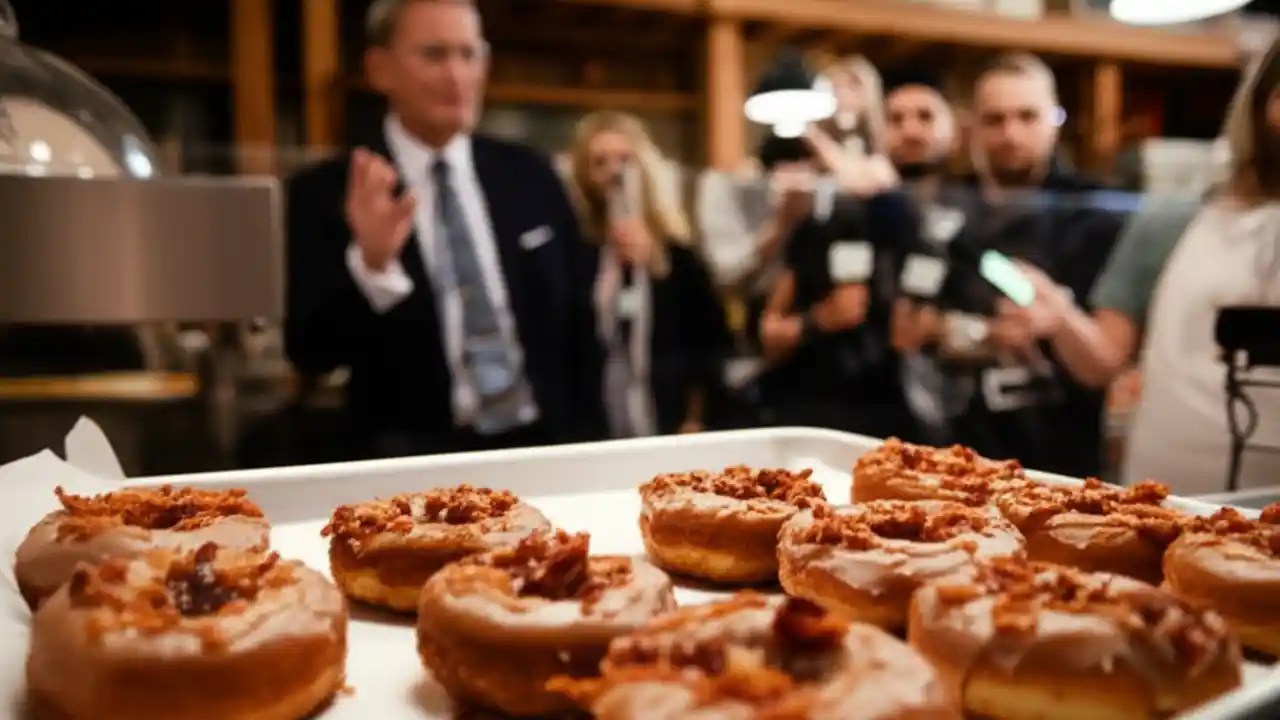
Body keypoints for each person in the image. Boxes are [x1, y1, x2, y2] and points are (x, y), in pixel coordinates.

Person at [284, 0, 602, 457]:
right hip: (411, 463)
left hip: (542, 448)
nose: (456, 75)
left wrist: (591, 448)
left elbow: (581, 325)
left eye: (469, 54)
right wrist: (371, 266)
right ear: (380, 69)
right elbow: (310, 352)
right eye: (434, 55)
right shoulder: (329, 191)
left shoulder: (531, 174)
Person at [1023, 41, 1280, 494]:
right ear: (1261, 103)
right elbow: (1103, 360)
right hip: (1167, 499)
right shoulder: (1171, 221)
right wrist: (1056, 313)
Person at [895, 53, 1123, 476]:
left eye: (1027, 116)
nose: (1010, 133)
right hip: (953, 450)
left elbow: (1106, 362)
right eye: (995, 119)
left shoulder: (1095, 213)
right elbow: (906, 328)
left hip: (1059, 458)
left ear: (1055, 120)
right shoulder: (945, 210)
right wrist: (981, 334)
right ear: (972, 127)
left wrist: (1057, 317)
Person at [563, 111, 731, 437]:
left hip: (669, 418)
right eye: (600, 162)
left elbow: (711, 343)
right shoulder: (576, 254)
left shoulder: (679, 256)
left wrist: (697, 417)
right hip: (598, 423)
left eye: (624, 160)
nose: (614, 172)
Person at [755, 127, 920, 439]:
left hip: (887, 404)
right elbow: (770, 331)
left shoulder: (906, 233)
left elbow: (911, 332)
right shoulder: (812, 235)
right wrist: (819, 319)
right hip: (810, 403)